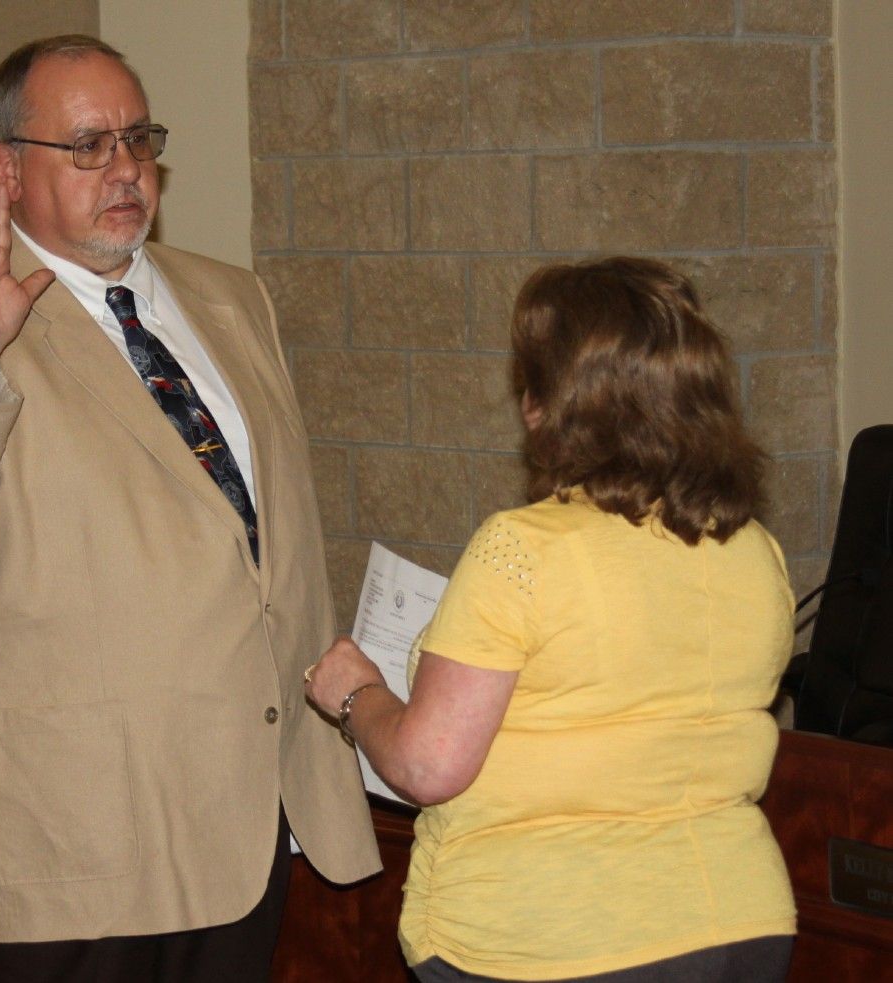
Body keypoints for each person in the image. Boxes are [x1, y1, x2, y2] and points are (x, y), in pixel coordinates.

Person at [0, 34, 379, 983]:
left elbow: (251, 543)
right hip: (61, 859)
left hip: (242, 831)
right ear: (6, 171)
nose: (125, 168)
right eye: (87, 145)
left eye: (138, 138)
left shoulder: (232, 299)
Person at [306, 257, 797, 982]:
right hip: (739, 923)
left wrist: (355, 693)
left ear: (553, 403)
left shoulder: (522, 550)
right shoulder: (756, 551)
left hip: (553, 940)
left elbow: (428, 763)